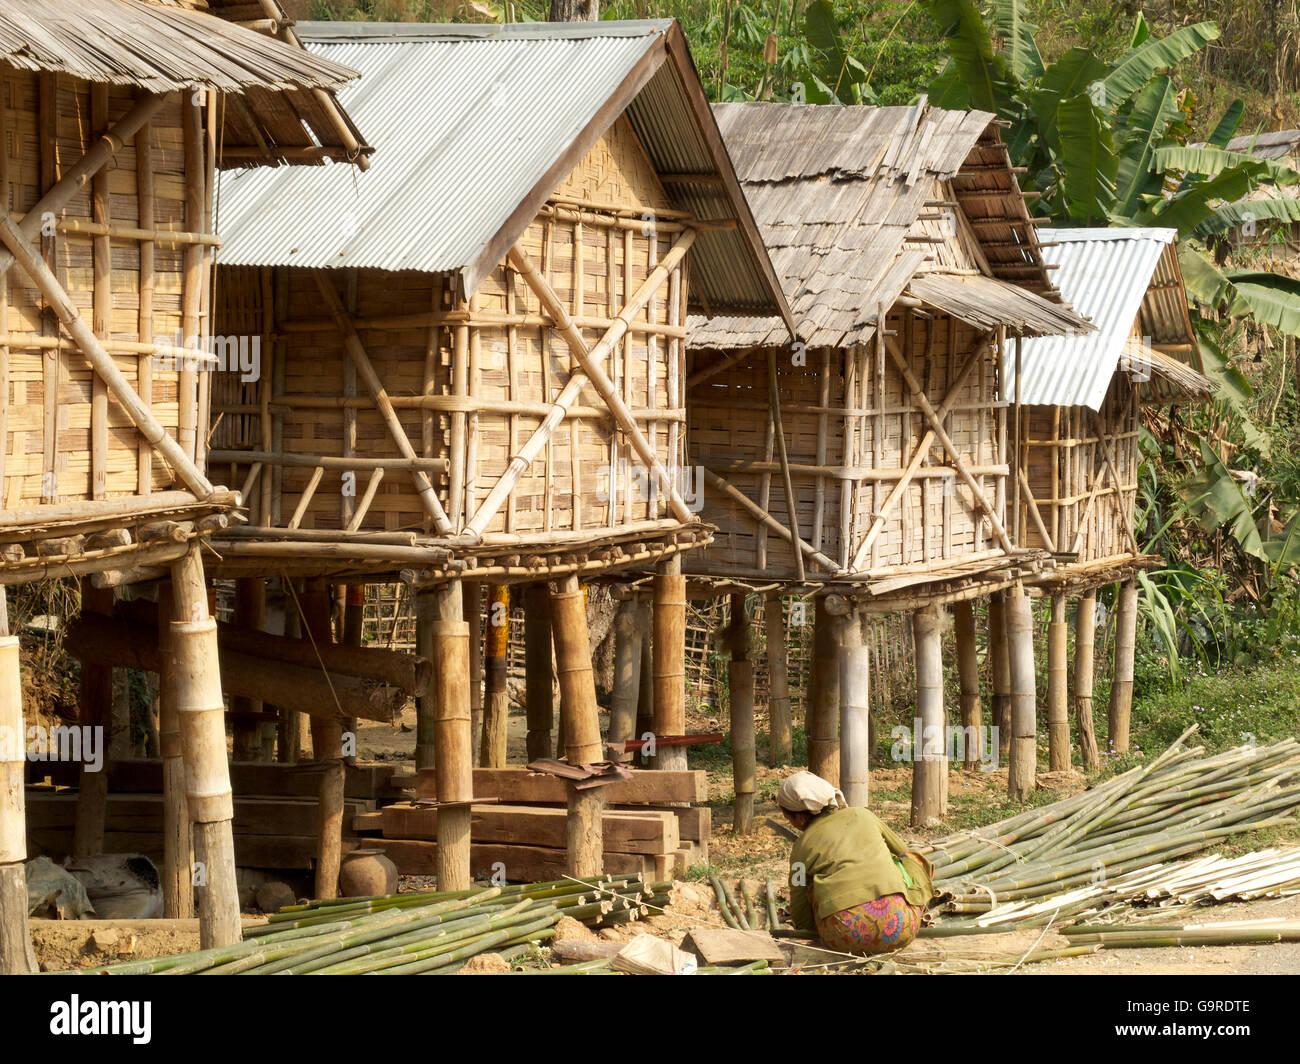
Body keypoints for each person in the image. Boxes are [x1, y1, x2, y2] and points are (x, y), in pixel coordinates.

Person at [778, 771, 934, 955]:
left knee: (810, 887)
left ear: (800, 818)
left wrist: (818, 928)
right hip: (903, 928)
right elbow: (903, 852)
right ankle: (906, 903)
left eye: (790, 819)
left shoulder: (799, 850)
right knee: (912, 860)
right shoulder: (863, 814)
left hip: (844, 938)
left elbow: (798, 906)